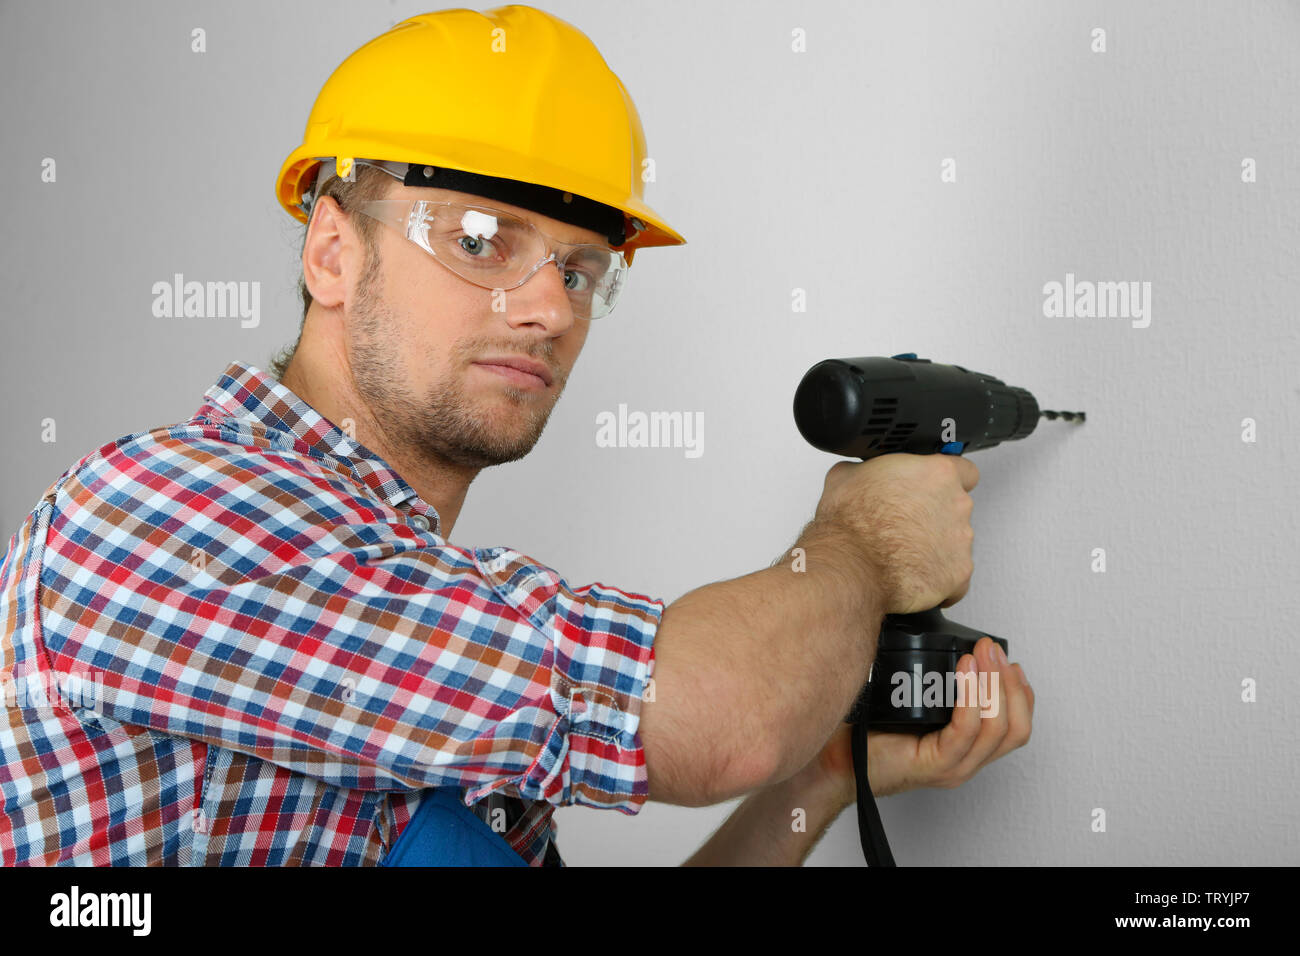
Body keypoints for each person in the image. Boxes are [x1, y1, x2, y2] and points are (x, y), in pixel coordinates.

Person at [0, 5, 1032, 867]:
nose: (548, 307)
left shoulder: (426, 610)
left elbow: (745, 744)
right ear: (330, 252)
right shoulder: (160, 516)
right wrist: (863, 540)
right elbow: (720, 720)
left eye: (580, 269)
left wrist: (815, 781)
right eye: (481, 240)